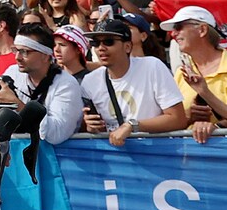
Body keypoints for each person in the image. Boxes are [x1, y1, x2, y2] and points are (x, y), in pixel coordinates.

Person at [78, 17, 187, 145]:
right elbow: (95, 130)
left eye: (109, 41)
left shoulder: (152, 66)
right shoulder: (90, 81)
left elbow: (177, 119)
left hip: (155, 154)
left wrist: (132, 126)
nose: (101, 48)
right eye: (95, 43)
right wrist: (91, 127)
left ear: (128, 46)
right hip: (116, 156)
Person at [165, 5, 227, 120]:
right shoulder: (182, 72)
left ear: (202, 30)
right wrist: (188, 117)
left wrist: (214, 127)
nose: (173, 34)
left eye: (179, 27)